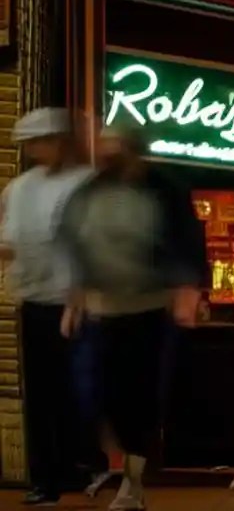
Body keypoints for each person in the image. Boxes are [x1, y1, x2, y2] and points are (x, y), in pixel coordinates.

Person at [59, 123, 206, 511]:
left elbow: (187, 240)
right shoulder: (89, 191)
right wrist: (74, 300)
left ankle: (132, 483)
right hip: (101, 307)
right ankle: (113, 462)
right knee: (91, 393)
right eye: (104, 144)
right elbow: (75, 242)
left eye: (116, 145)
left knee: (138, 398)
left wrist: (188, 291)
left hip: (148, 308)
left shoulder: (165, 189)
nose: (107, 151)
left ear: (134, 151)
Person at [0, 108, 105, 505]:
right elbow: (9, 240)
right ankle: (47, 478)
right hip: (35, 300)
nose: (35, 149)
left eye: (41, 141)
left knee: (79, 389)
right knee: (42, 394)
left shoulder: (86, 184)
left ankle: (84, 464)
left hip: (77, 303)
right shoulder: (19, 188)